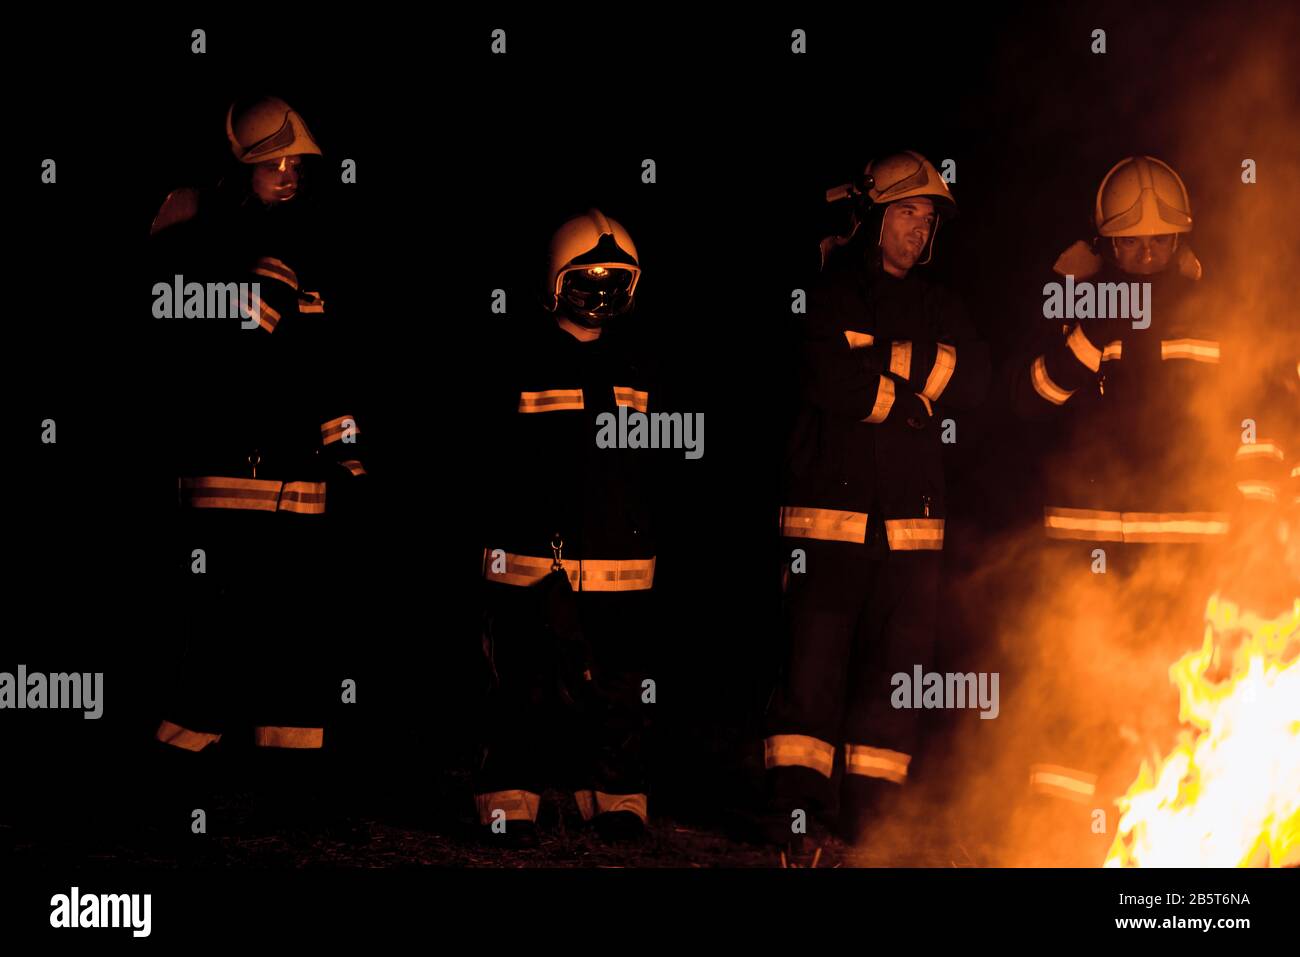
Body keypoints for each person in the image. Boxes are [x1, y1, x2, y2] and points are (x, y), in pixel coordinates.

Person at [767, 151, 990, 865]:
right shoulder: (826, 293)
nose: (918, 232)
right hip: (824, 529)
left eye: (927, 220)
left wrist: (883, 368)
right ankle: (796, 815)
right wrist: (915, 390)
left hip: (911, 531)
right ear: (872, 218)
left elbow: (975, 383)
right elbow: (830, 377)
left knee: (897, 677)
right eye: (905, 214)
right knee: (812, 673)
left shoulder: (943, 303)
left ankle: (874, 818)